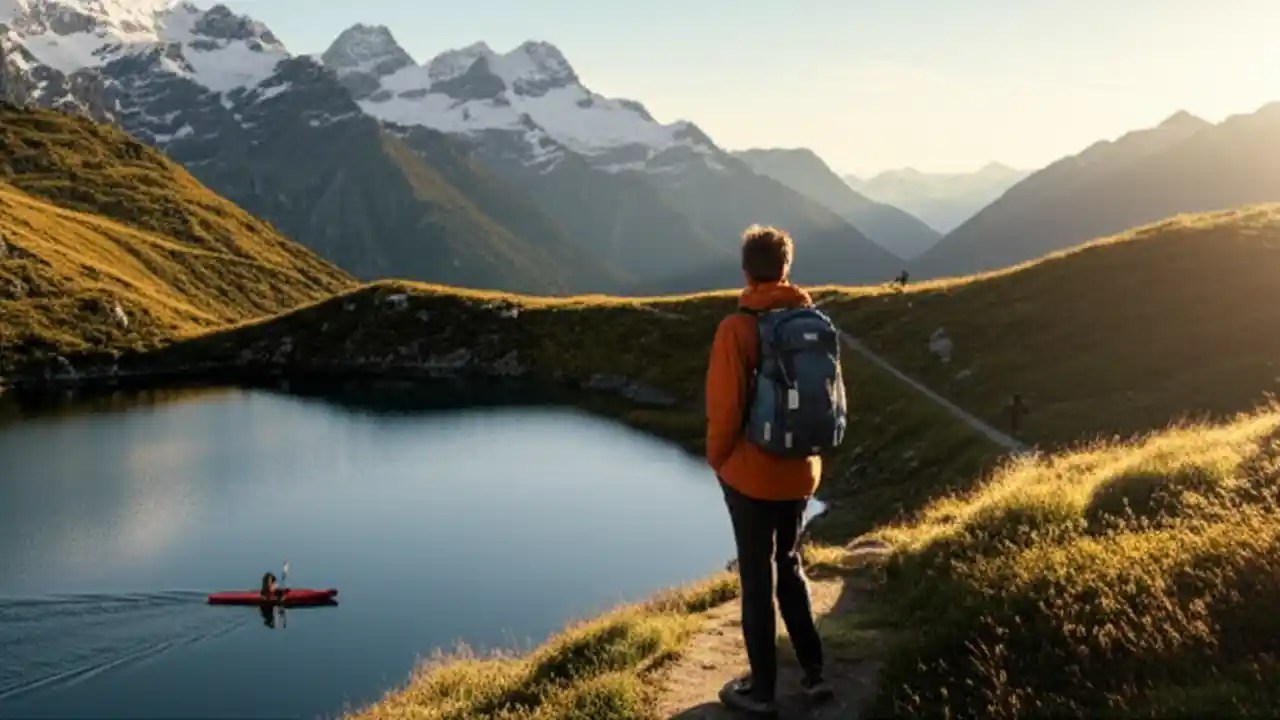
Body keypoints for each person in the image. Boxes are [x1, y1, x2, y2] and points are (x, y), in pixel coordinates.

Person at [705, 225, 833, 715]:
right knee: (789, 565)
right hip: (801, 471)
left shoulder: (736, 329)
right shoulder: (812, 322)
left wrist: (719, 460)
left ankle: (761, 692)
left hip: (751, 477)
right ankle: (815, 674)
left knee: (756, 577)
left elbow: (725, 408)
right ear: (786, 268)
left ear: (746, 271)